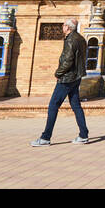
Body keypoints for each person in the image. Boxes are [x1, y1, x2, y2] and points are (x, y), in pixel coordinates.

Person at [31, 17, 90, 146]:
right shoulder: (80, 39)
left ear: (67, 27)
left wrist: (58, 73)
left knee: (53, 106)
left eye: (63, 25)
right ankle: (83, 135)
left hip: (67, 78)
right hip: (76, 77)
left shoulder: (70, 40)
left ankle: (45, 137)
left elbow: (68, 60)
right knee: (76, 106)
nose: (62, 27)